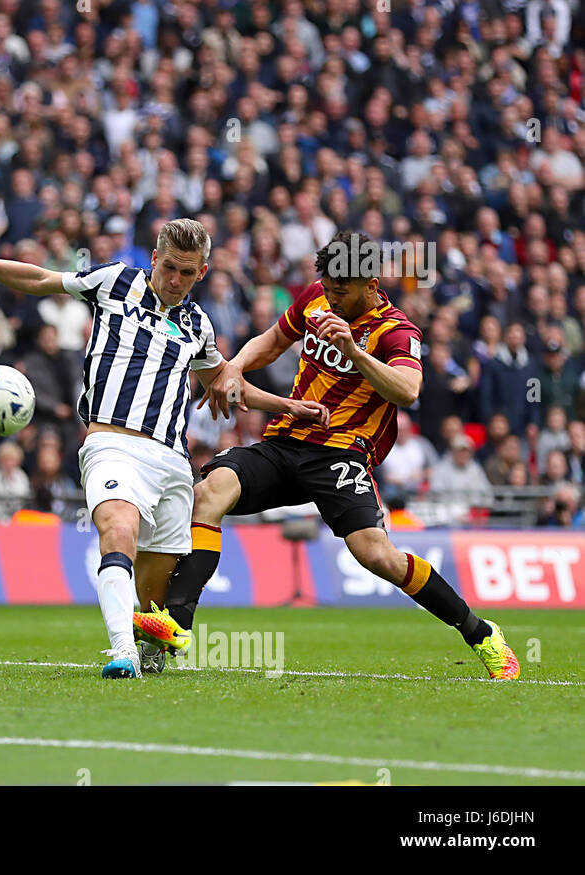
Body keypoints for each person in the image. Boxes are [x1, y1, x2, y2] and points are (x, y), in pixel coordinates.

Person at [0, 218, 327, 679]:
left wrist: (288, 406)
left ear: (202, 272)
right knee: (118, 530)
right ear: (156, 258)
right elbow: (40, 279)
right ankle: (121, 651)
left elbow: (227, 383)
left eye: (187, 272)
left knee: (155, 595)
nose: (176, 279)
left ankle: (147, 645)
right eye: (169, 268)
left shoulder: (198, 325)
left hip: (172, 461)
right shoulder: (116, 281)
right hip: (112, 443)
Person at [157, 232, 520, 680]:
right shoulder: (315, 298)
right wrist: (232, 366)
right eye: (326, 288)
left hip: (341, 457)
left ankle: (481, 633)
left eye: (340, 291)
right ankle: (176, 623)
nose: (330, 297)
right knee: (208, 492)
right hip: (286, 441)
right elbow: (271, 341)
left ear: (370, 285)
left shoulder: (397, 331)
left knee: (377, 556)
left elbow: (407, 391)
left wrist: (354, 351)